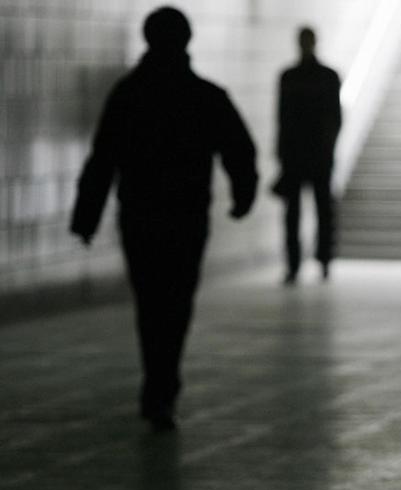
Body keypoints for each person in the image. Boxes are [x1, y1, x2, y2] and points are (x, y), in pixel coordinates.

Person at [70, 6, 258, 431]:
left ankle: (157, 383)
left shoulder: (128, 94)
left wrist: (86, 216)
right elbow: (239, 149)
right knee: (177, 300)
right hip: (188, 216)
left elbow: (103, 159)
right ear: (186, 40)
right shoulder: (205, 95)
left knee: (149, 300)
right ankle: (163, 386)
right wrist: (242, 195)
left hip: (139, 215)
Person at [273, 27, 342, 284]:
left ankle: (300, 264)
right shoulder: (326, 77)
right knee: (318, 211)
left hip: (300, 155)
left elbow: (283, 118)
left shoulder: (290, 77)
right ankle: (319, 261)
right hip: (315, 155)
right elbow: (334, 119)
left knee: (299, 213)